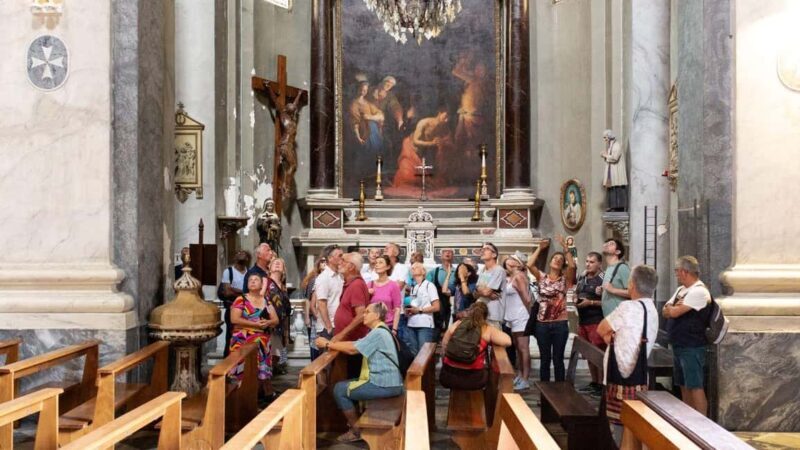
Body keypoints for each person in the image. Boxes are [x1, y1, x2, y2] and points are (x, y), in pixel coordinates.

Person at [316, 303, 403, 444]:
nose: (364, 315)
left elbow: (353, 349)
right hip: (389, 381)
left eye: (367, 312)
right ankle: (357, 424)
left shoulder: (378, 333)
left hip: (384, 383)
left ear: (376, 315)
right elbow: (356, 343)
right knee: (347, 384)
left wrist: (328, 344)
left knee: (339, 389)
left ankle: (356, 431)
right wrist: (336, 342)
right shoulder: (380, 330)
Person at [597, 265, 659, 445]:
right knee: (632, 430)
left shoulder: (627, 307)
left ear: (632, 284)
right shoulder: (652, 309)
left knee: (620, 432)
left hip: (620, 377)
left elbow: (601, 329)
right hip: (639, 379)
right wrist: (614, 337)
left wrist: (612, 337)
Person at [663, 256, 711, 416]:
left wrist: (672, 309)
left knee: (695, 385)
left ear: (684, 272)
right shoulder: (680, 290)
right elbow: (665, 310)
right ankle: (687, 419)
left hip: (692, 346)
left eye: (677, 271)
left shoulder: (699, 291)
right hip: (679, 344)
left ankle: (702, 422)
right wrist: (672, 309)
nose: (676, 274)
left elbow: (674, 312)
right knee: (683, 385)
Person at [527, 236, 576, 382]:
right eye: (555, 258)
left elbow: (572, 267)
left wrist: (566, 250)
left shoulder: (565, 280)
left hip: (560, 323)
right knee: (545, 359)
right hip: (542, 323)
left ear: (562, 265)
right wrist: (539, 248)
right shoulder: (542, 277)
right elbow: (529, 264)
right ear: (550, 262)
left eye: (560, 259)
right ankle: (545, 390)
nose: (557, 260)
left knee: (558, 359)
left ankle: (560, 390)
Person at [229, 274, 279, 402]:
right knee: (245, 370)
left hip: (262, 338)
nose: (252, 281)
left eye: (256, 280)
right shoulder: (241, 299)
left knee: (261, 364)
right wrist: (255, 324)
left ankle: (258, 394)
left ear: (262, 285)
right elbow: (234, 319)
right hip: (243, 337)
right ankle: (243, 395)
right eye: (250, 280)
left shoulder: (266, 300)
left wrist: (268, 322)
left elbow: (275, 320)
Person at [440, 302, 511, 390]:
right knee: (488, 371)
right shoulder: (486, 329)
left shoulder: (457, 325)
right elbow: (508, 341)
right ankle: (490, 395)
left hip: (448, 376)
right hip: (474, 379)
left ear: (469, 312)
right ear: (485, 316)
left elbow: (444, 348)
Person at [575, 251, 606, 394]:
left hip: (596, 320)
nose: (588, 264)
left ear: (599, 264)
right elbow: (577, 292)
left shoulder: (603, 278)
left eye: (592, 262)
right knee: (588, 353)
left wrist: (591, 303)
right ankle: (594, 382)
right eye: (587, 261)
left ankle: (602, 384)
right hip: (583, 320)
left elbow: (608, 302)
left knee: (598, 353)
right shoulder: (582, 276)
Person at [502, 252, 532, 391]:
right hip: (513, 316)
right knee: (518, 348)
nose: (508, 260)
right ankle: (520, 374)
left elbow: (527, 299)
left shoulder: (519, 276)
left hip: (521, 316)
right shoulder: (513, 276)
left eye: (512, 258)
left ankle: (525, 378)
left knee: (523, 348)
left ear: (517, 263)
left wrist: (529, 317)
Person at [219, 250, 251, 357]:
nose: (241, 254)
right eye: (238, 253)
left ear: (247, 259)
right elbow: (227, 292)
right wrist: (245, 292)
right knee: (231, 335)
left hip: (247, 309)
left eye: (244, 254)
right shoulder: (228, 272)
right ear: (234, 258)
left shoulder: (249, 272)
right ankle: (228, 359)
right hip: (232, 307)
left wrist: (235, 290)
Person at [405, 262, 440, 354]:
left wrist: (419, 310)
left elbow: (436, 307)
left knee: (424, 354)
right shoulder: (414, 287)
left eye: (416, 267)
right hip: (411, 324)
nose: (413, 269)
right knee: (413, 353)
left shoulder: (430, 286)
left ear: (423, 271)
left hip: (425, 325)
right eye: (412, 268)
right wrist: (408, 311)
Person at [265, 258, 291, 375]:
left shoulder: (283, 287)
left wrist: (286, 333)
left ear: (284, 270)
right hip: (268, 324)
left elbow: (285, 311)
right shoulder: (266, 282)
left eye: (280, 263)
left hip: (280, 325)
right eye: (274, 263)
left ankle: (267, 378)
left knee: (276, 355)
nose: (277, 264)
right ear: (269, 268)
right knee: (267, 354)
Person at [314, 245, 344, 341]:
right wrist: (329, 326)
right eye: (340, 255)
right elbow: (321, 303)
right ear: (330, 258)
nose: (342, 258)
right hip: (328, 327)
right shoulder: (323, 278)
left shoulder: (340, 276)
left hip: (339, 325)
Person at [368, 255, 402, 336]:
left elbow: (397, 309)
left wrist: (394, 329)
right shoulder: (370, 284)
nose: (377, 265)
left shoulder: (393, 286)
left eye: (380, 262)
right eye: (376, 263)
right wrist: (367, 294)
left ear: (388, 267)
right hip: (372, 326)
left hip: (387, 326)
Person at [474, 242, 506, 329]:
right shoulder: (483, 270)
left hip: (493, 314)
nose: (483, 251)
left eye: (487, 249)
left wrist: (482, 291)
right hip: (480, 312)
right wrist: (483, 291)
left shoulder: (498, 270)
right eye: (482, 249)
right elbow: (475, 293)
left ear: (494, 254)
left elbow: (486, 292)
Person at [349, 81, 385, 155]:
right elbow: (355, 123)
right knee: (369, 153)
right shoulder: (354, 104)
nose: (363, 92)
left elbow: (381, 115)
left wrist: (370, 117)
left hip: (374, 131)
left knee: (378, 151)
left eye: (365, 90)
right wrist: (358, 138)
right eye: (361, 89)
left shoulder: (367, 103)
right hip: (365, 132)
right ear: (358, 89)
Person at [427, 249, 457, 336]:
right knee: (436, 329)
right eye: (445, 252)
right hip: (438, 304)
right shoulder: (434, 272)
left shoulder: (457, 271)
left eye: (450, 252)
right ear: (441, 256)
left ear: (453, 256)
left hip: (453, 303)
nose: (447, 253)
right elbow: (427, 287)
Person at [301, 255, 326, 361]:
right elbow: (308, 300)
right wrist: (307, 316)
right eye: (322, 261)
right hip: (316, 316)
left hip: (328, 316)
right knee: (315, 344)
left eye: (326, 261)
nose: (325, 263)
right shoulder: (314, 280)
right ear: (318, 264)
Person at [600, 238, 630, 316]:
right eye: (606, 243)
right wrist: (602, 291)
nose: (607, 244)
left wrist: (613, 290)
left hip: (620, 316)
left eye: (611, 244)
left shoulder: (622, 267)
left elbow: (632, 292)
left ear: (617, 252)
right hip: (609, 316)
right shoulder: (609, 268)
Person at [601, 129, 628, 212]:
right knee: (612, 188)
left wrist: (605, 155)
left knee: (617, 187)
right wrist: (605, 155)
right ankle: (612, 206)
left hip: (616, 171)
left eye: (605, 137)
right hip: (612, 170)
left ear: (609, 137)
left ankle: (619, 206)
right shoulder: (611, 145)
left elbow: (614, 158)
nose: (604, 140)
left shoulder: (617, 145)